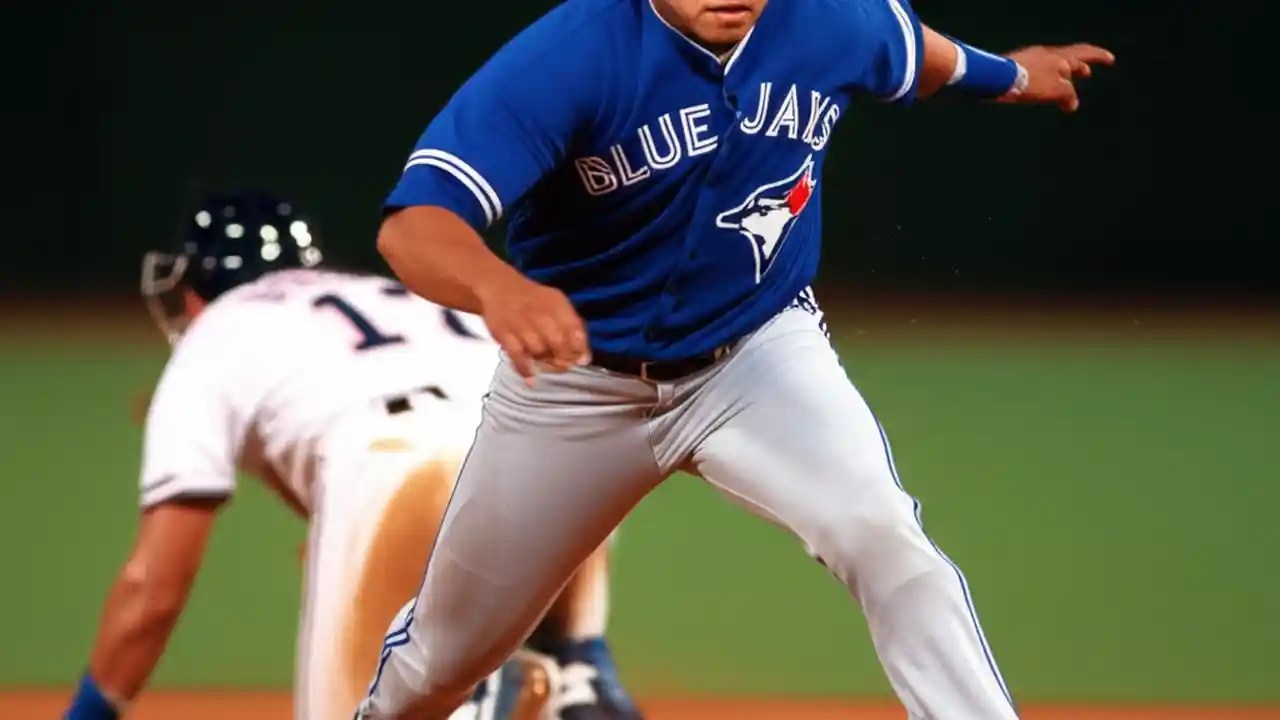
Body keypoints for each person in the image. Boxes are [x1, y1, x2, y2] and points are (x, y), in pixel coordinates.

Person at [357, 0, 1114, 718]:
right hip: (577, 386)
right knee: (445, 655)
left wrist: (1012, 76)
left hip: (756, 356)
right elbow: (415, 226)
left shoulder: (830, 18)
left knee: (883, 539)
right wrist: (496, 288)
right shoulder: (568, 58)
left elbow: (916, 52)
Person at [63, 189, 642, 720]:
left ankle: (488, 700)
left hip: (397, 464)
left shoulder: (214, 334)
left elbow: (154, 588)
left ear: (193, 294)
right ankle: (578, 669)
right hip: (556, 448)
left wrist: (89, 713)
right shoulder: (401, 295)